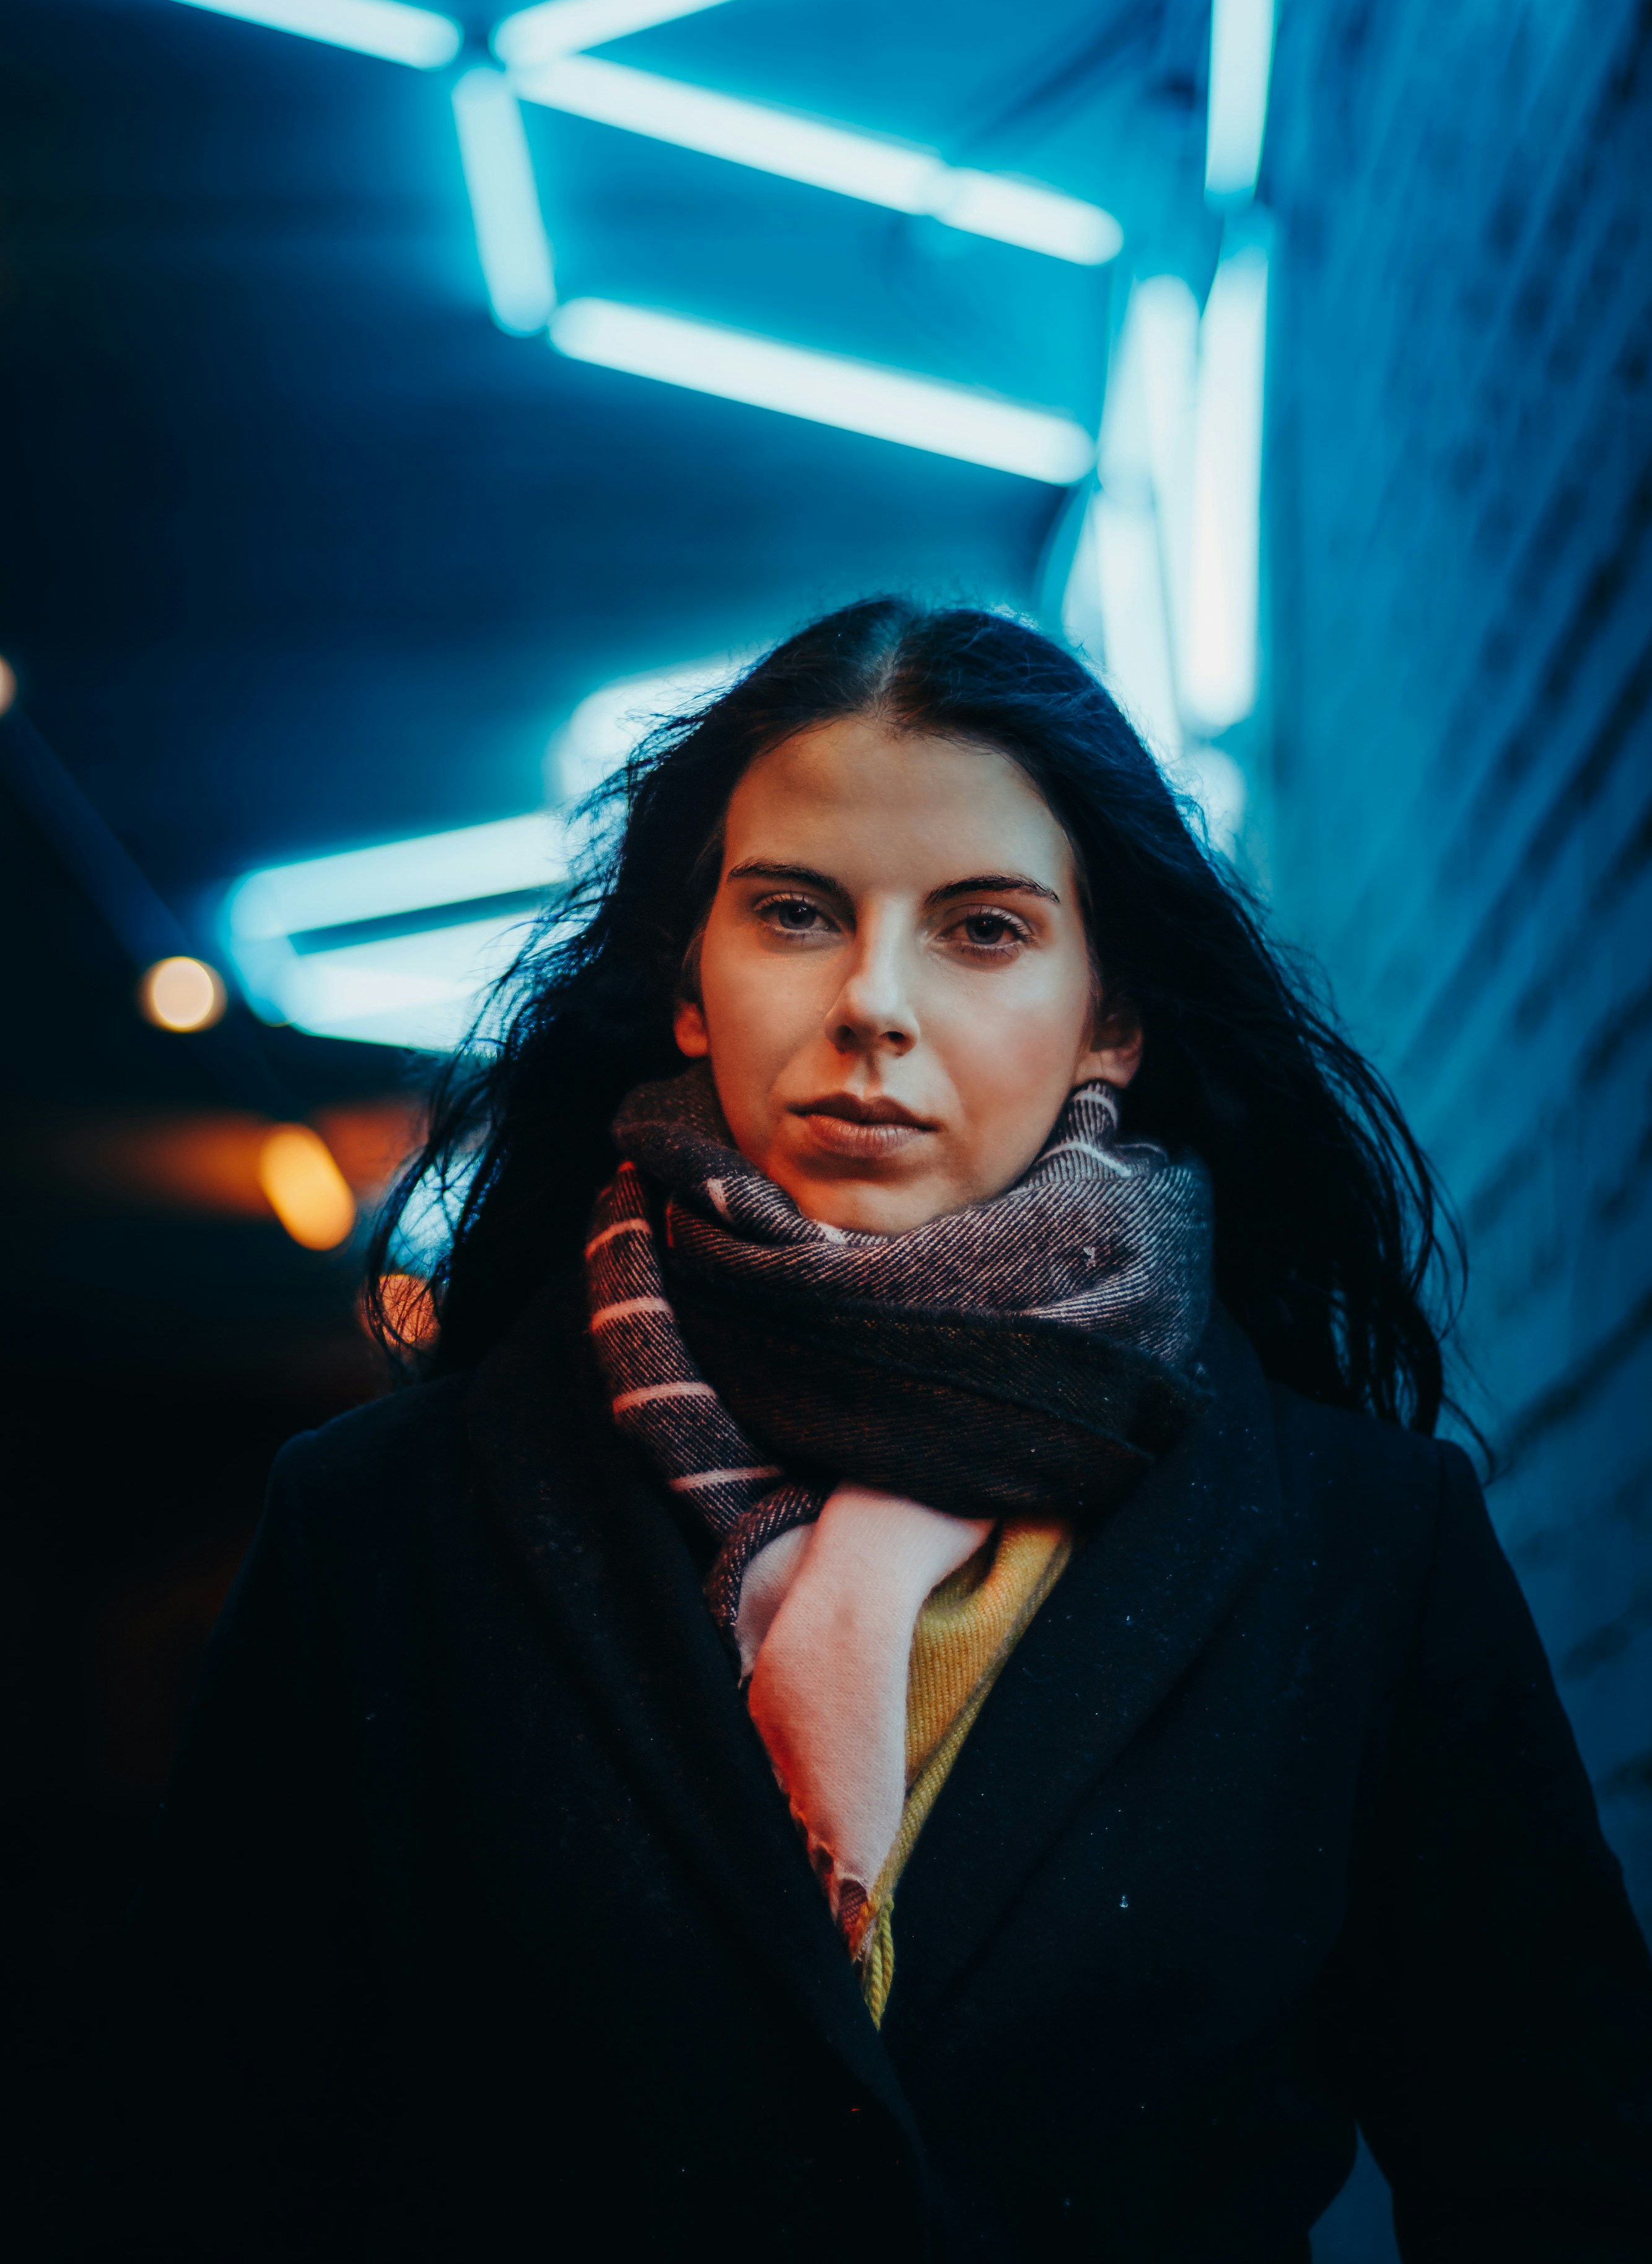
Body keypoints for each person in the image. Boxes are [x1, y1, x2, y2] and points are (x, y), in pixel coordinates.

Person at [104, 601, 1650, 2261]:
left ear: (1109, 1017)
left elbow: (1559, 2179)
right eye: (792, 914)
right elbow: (209, 2174)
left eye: (982, 929)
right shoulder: (382, 1530)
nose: (872, 1006)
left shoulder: (1363, 1548)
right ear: (689, 985)